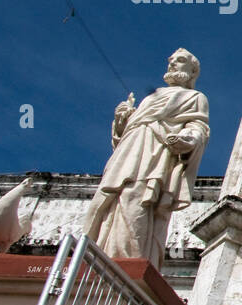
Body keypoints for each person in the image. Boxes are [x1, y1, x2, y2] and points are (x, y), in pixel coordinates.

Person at [84, 49, 210, 269]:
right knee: (104, 203)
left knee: (135, 202)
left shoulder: (195, 98)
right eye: (170, 60)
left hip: (154, 158)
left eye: (179, 61)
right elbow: (126, 133)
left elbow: (198, 127)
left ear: (192, 72)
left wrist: (186, 140)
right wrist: (122, 121)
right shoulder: (151, 97)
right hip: (128, 154)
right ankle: (93, 260)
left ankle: (125, 267)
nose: (172, 64)